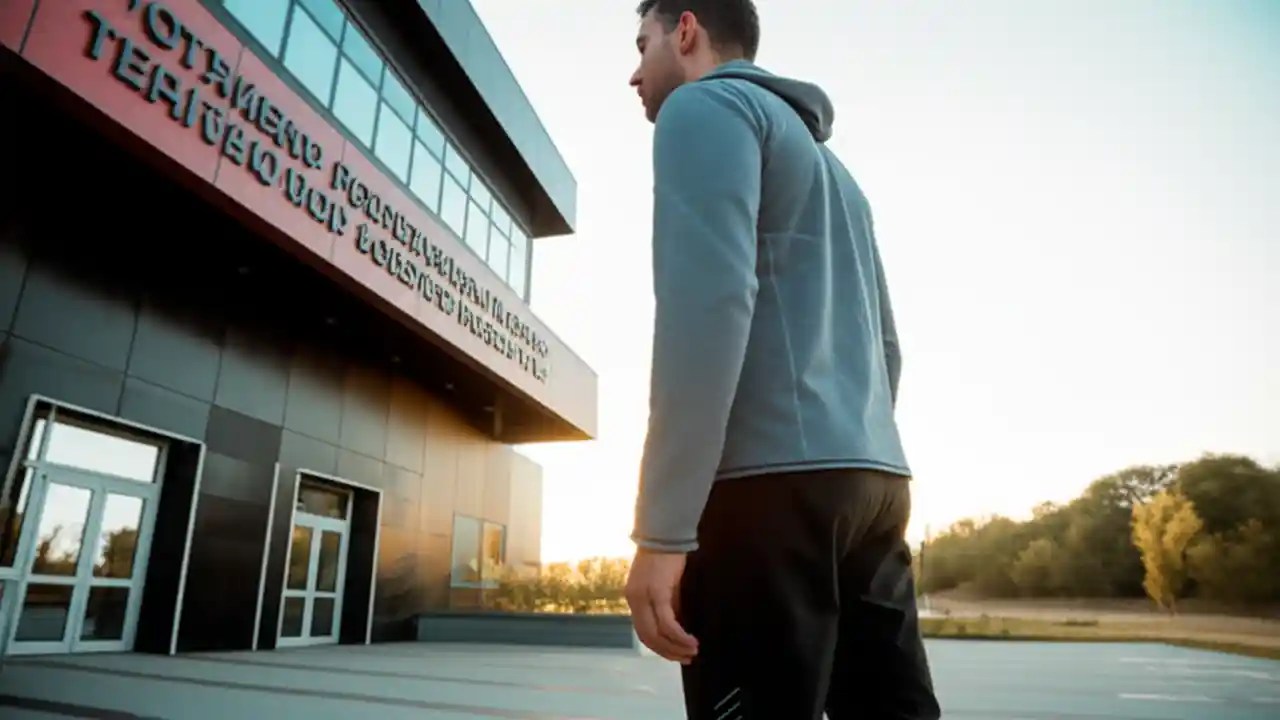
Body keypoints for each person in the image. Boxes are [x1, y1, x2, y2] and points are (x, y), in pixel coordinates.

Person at [622, 1, 942, 718]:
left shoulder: (704, 108)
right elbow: (887, 345)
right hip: (872, 481)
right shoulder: (837, 173)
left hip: (764, 497)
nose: (634, 73)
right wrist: (846, 448)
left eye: (642, 45)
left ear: (686, 30)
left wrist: (663, 531)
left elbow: (705, 312)